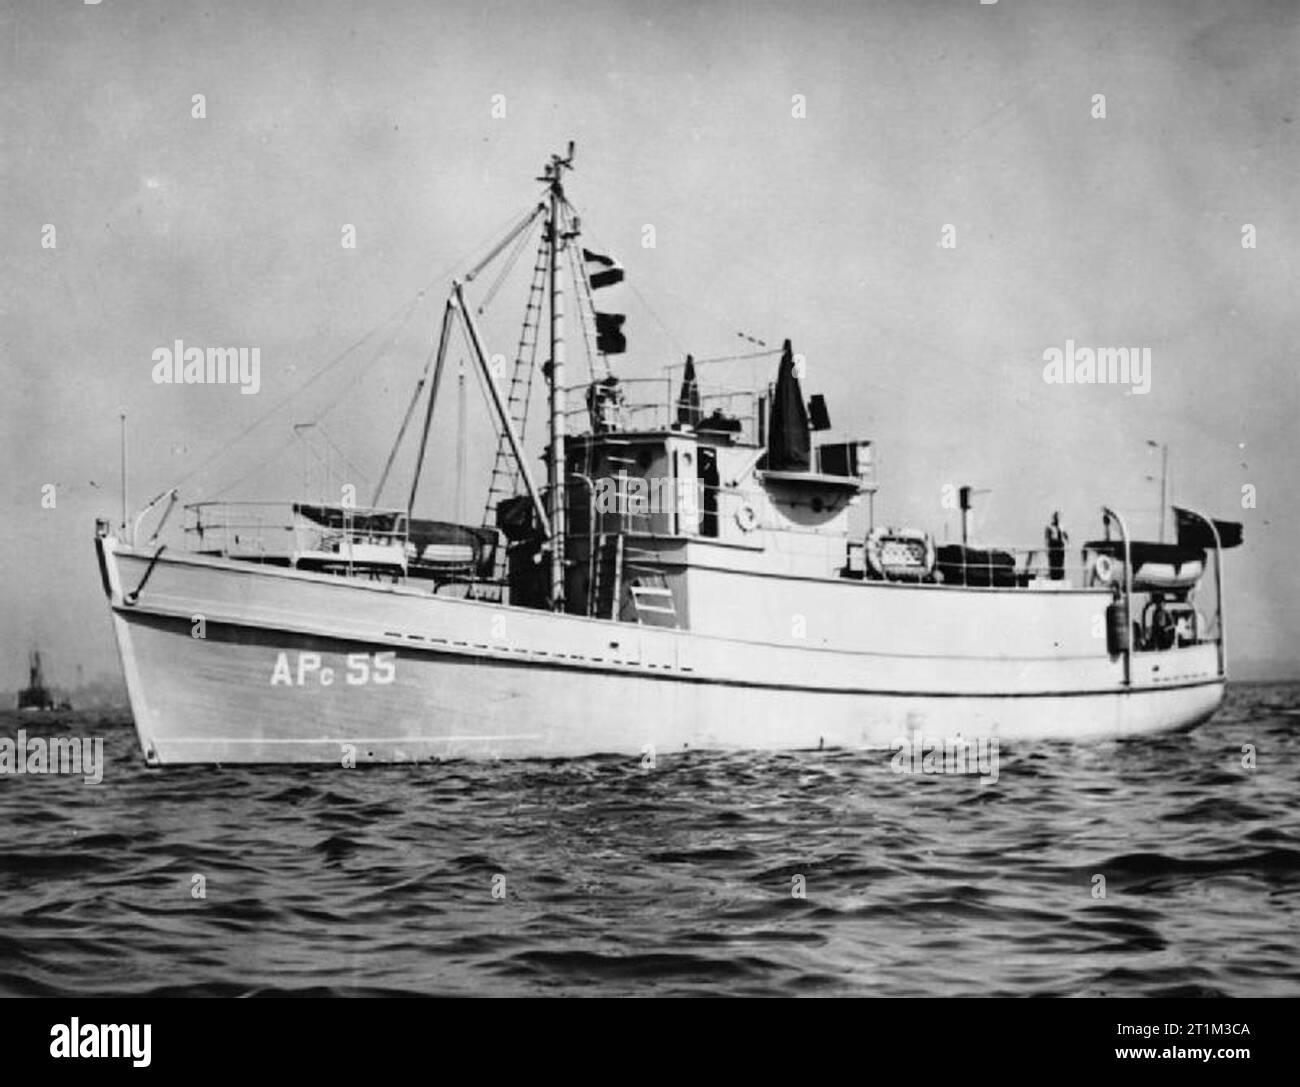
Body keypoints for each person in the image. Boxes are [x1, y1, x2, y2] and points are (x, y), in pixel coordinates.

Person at [1045, 511, 1068, 581]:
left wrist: (1067, 542)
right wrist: (1047, 548)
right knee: (1053, 562)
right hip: (1053, 546)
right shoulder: (1049, 527)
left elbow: (1065, 535)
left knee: (1060, 562)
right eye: (1055, 517)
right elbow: (1047, 538)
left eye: (1058, 517)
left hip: (1060, 547)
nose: (1057, 519)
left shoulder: (1061, 526)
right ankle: (1053, 576)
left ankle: (1060, 576)